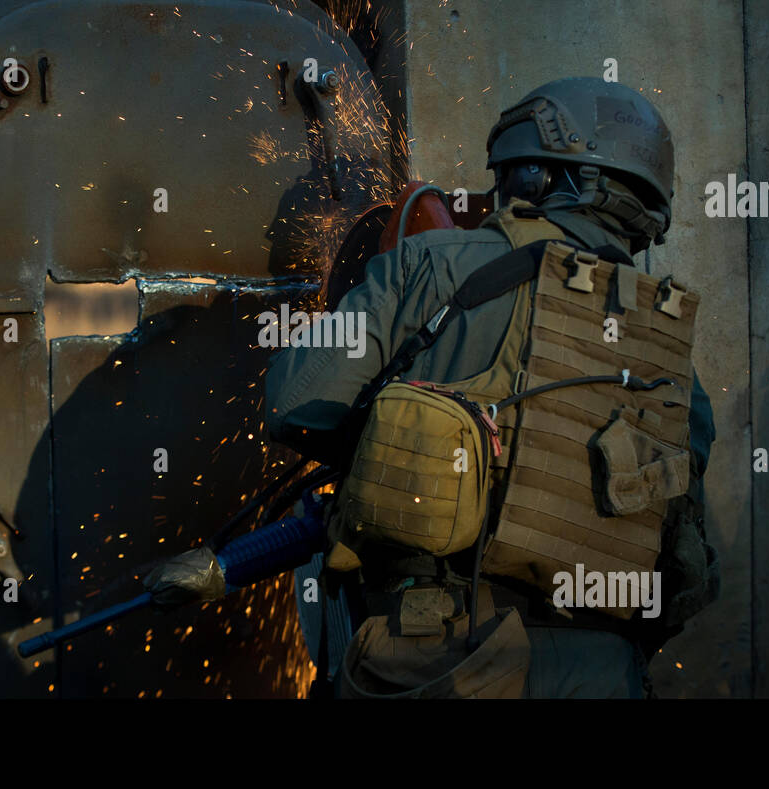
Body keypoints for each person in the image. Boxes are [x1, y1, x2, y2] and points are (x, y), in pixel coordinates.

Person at [264, 77, 719, 698]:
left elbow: (297, 408)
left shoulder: (427, 265)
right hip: (605, 669)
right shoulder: (669, 345)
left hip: (439, 663)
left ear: (535, 176)